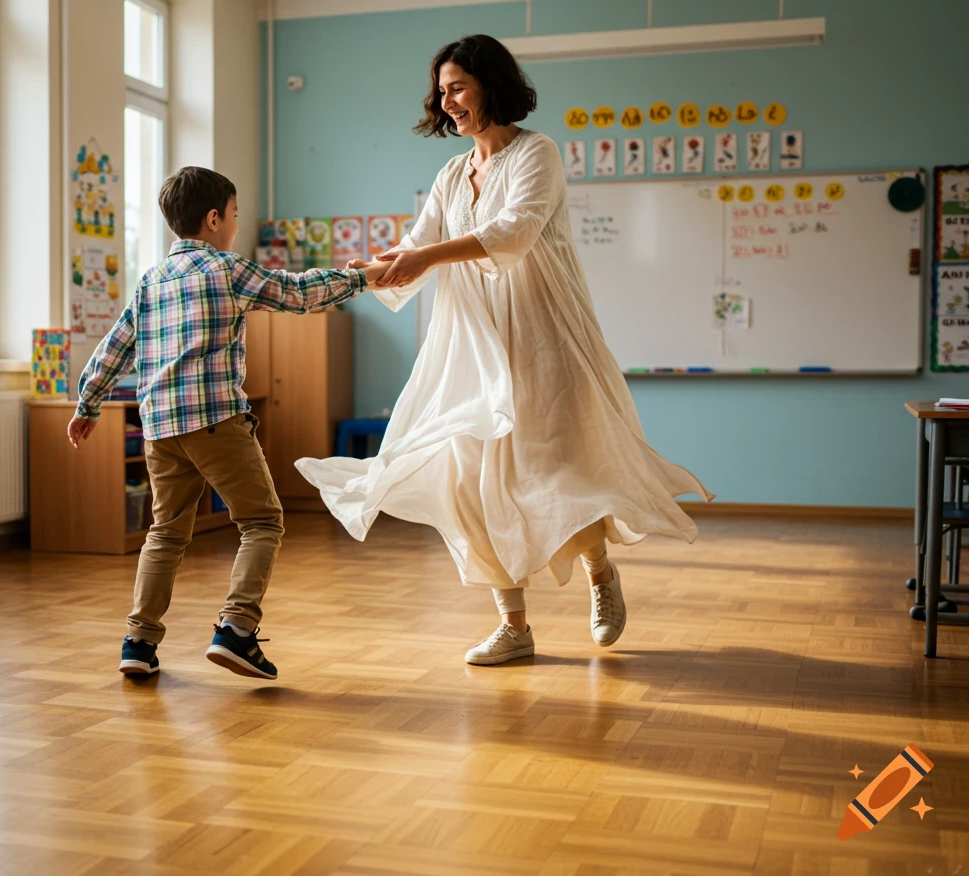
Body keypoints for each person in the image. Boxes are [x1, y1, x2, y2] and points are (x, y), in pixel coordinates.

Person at [297, 35, 713, 666]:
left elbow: (512, 232)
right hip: (470, 343)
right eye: (441, 91)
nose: (448, 102)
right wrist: (372, 271)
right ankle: (513, 625)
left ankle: (600, 573)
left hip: (543, 335)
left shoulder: (536, 152)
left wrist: (420, 257)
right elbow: (417, 244)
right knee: (469, 482)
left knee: (558, 470)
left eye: (458, 87)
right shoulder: (449, 174)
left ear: (491, 85)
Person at [68, 167, 389, 680]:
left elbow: (115, 348)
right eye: (235, 215)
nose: (237, 225)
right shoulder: (226, 269)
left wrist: (87, 405)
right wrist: (363, 276)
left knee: (165, 532)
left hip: (160, 428)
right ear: (214, 218)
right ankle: (237, 628)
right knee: (262, 522)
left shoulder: (151, 280)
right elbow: (295, 292)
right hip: (215, 417)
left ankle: (139, 642)